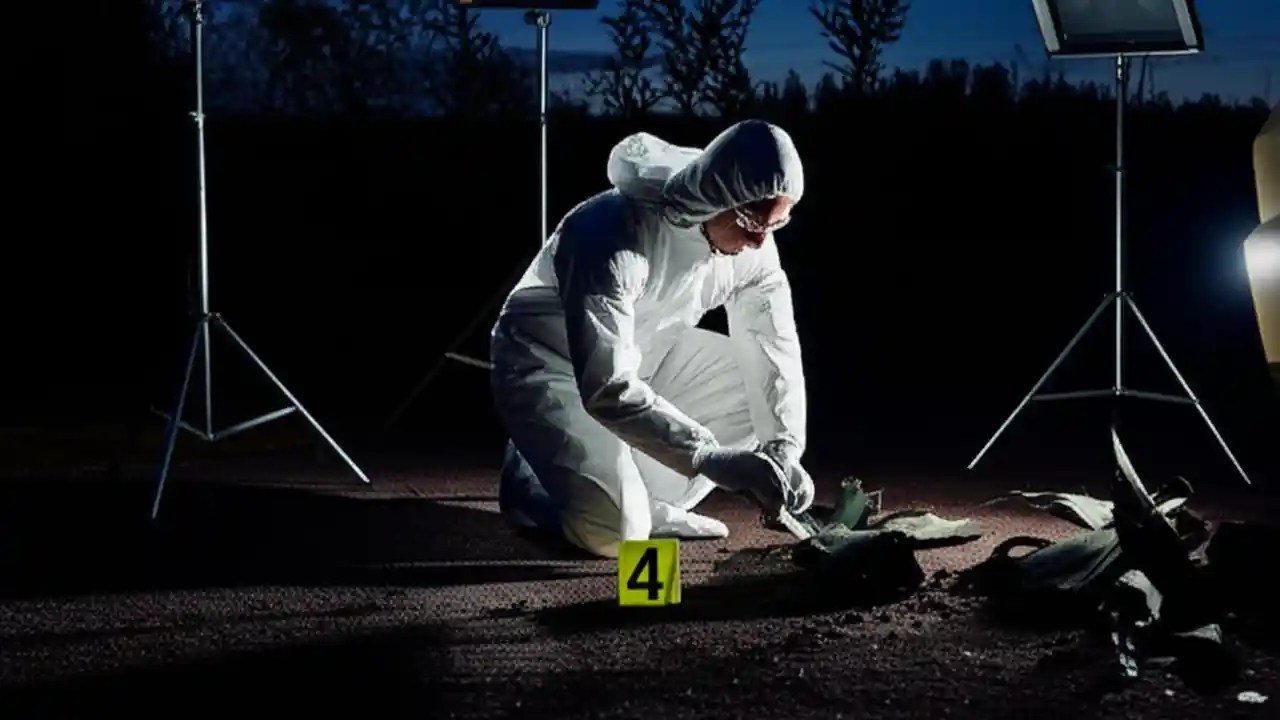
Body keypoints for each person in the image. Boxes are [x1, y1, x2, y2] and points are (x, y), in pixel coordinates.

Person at [488, 119, 816, 558]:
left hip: (644, 356)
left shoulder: (752, 244)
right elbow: (607, 386)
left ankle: (636, 497)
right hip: (549, 367)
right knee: (618, 534)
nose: (760, 240)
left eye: (776, 223)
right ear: (716, 197)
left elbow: (772, 348)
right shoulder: (609, 236)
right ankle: (529, 479)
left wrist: (784, 450)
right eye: (752, 221)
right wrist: (707, 456)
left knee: (751, 381)